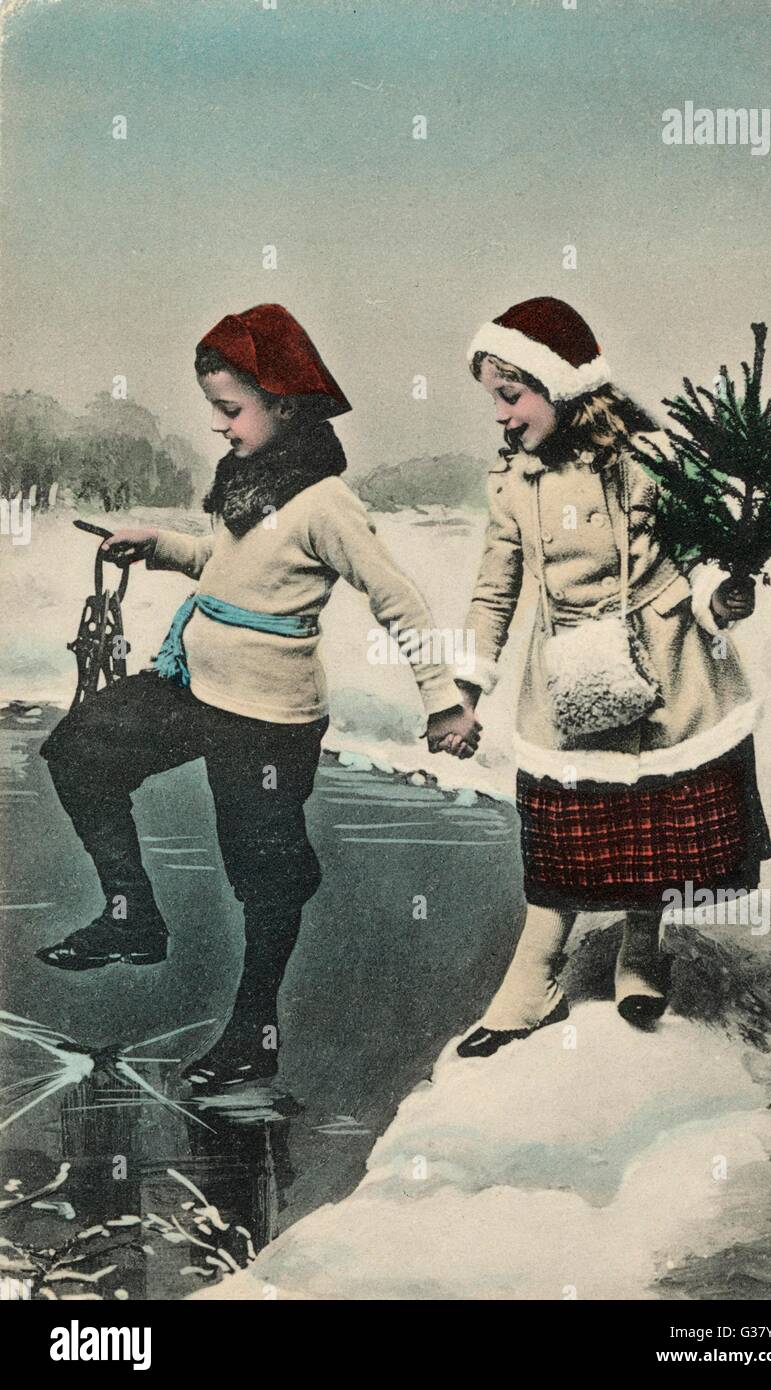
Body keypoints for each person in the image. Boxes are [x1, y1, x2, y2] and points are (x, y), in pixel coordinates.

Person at [38, 303, 473, 1090]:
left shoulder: (326, 502)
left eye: (229, 409)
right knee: (79, 751)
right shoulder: (250, 482)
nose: (218, 426)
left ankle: (253, 1032)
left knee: (263, 874)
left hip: (269, 715)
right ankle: (132, 916)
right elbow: (232, 566)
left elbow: (397, 598)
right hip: (193, 683)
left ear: (284, 406)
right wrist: (162, 545)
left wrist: (442, 701)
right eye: (214, 408)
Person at [431, 296, 771, 1055]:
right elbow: (495, 589)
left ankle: (641, 952)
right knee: (563, 830)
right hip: (565, 674)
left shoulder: (647, 460)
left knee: (653, 822)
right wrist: (465, 694)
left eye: (510, 395)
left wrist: (722, 596)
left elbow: (697, 550)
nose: (500, 415)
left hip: (665, 660)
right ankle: (535, 973)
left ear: (561, 387)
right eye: (493, 398)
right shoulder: (513, 480)